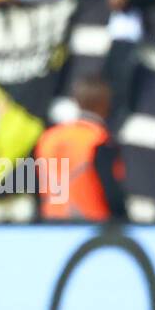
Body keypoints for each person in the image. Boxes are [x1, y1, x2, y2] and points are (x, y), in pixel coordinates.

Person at [33, 76, 126, 221]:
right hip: (91, 224)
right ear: (105, 103)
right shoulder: (99, 139)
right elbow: (111, 190)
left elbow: (36, 184)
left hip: (50, 222)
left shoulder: (48, 137)